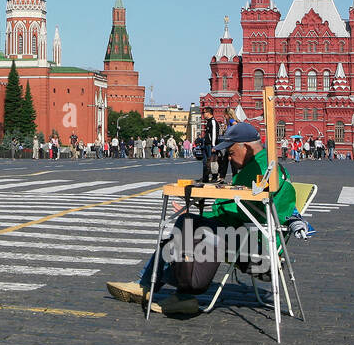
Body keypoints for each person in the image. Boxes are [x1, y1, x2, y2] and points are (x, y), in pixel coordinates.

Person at [106, 121, 312, 315]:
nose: (229, 158)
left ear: (246, 147)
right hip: (243, 234)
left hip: (255, 247)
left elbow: (249, 211)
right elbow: (233, 208)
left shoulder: (266, 170)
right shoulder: (257, 166)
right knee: (185, 227)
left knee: (189, 229)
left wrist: (205, 212)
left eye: (231, 152)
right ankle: (157, 287)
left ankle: (161, 287)